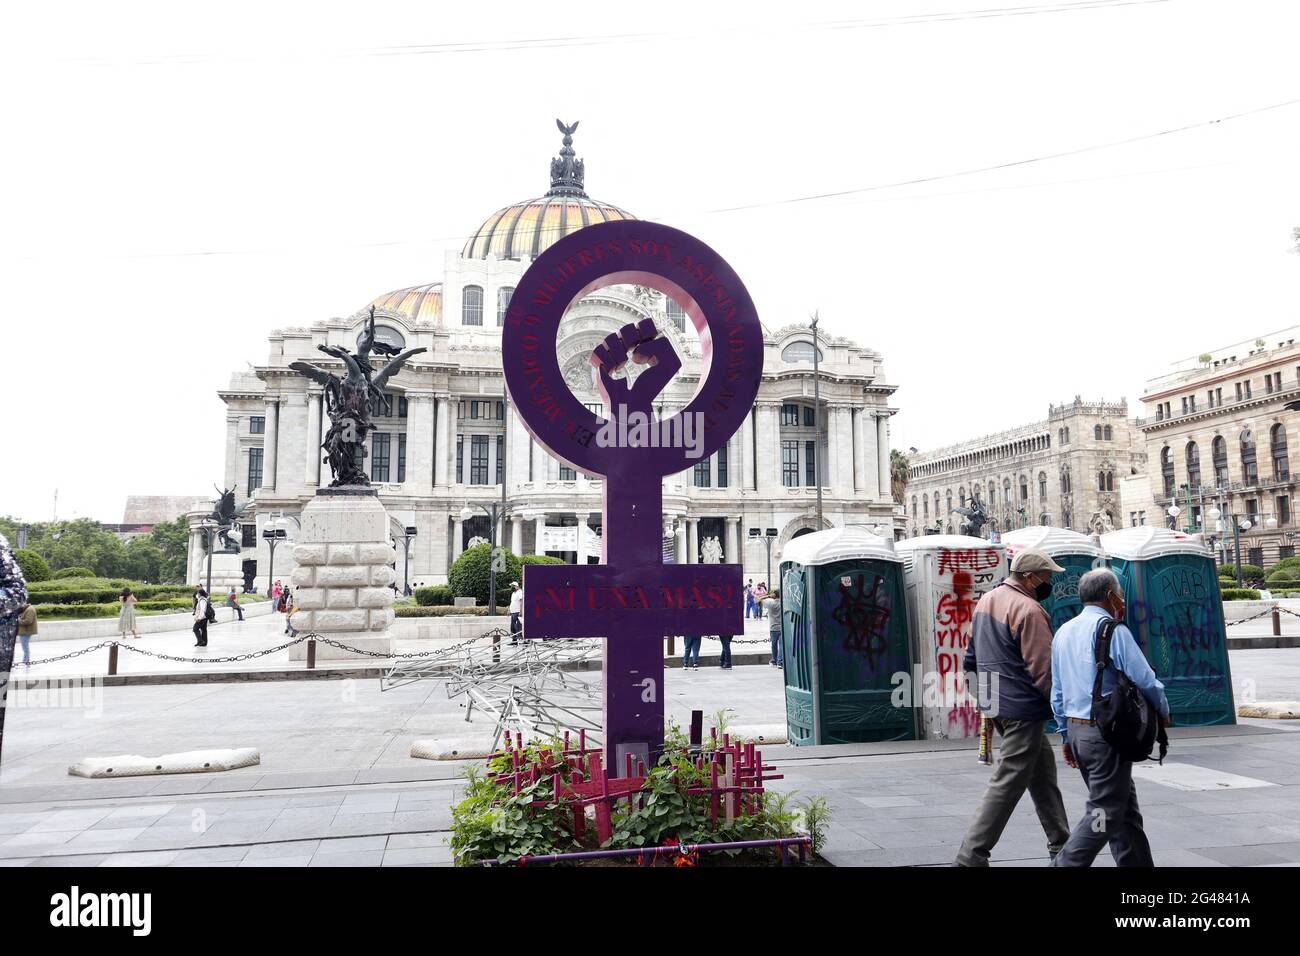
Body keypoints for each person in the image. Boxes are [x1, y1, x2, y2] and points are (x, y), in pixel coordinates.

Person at [954, 548, 1072, 867]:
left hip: (998, 705)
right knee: (1007, 782)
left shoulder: (988, 601)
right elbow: (1044, 671)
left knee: (1043, 778)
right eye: (1047, 577)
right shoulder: (1029, 610)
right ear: (1031, 578)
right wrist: (1064, 718)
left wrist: (984, 702)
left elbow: (970, 660)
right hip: (1022, 709)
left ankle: (1062, 847)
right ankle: (970, 857)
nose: (1050, 583)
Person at [1051, 568, 1170, 867]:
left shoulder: (1063, 632)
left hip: (1078, 732)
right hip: (1105, 733)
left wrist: (1065, 734)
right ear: (1110, 595)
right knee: (1103, 812)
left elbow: (1057, 691)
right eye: (1120, 594)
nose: (1122, 600)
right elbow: (1145, 679)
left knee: (1123, 808)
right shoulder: (1112, 630)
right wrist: (1163, 711)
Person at [762, 589, 782, 666]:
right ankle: (780, 661)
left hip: (773, 627)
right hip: (781, 628)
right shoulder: (782, 603)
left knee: (774, 645)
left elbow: (759, 599)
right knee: (781, 645)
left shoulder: (770, 603)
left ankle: (774, 660)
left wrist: (768, 596)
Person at [16, 601, 36, 666]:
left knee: (25, 647)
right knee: (25, 647)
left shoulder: (30, 609)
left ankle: (26, 661)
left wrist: (18, 620)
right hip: (24, 631)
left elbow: (28, 621)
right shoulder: (26, 609)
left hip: (26, 631)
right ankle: (25, 661)